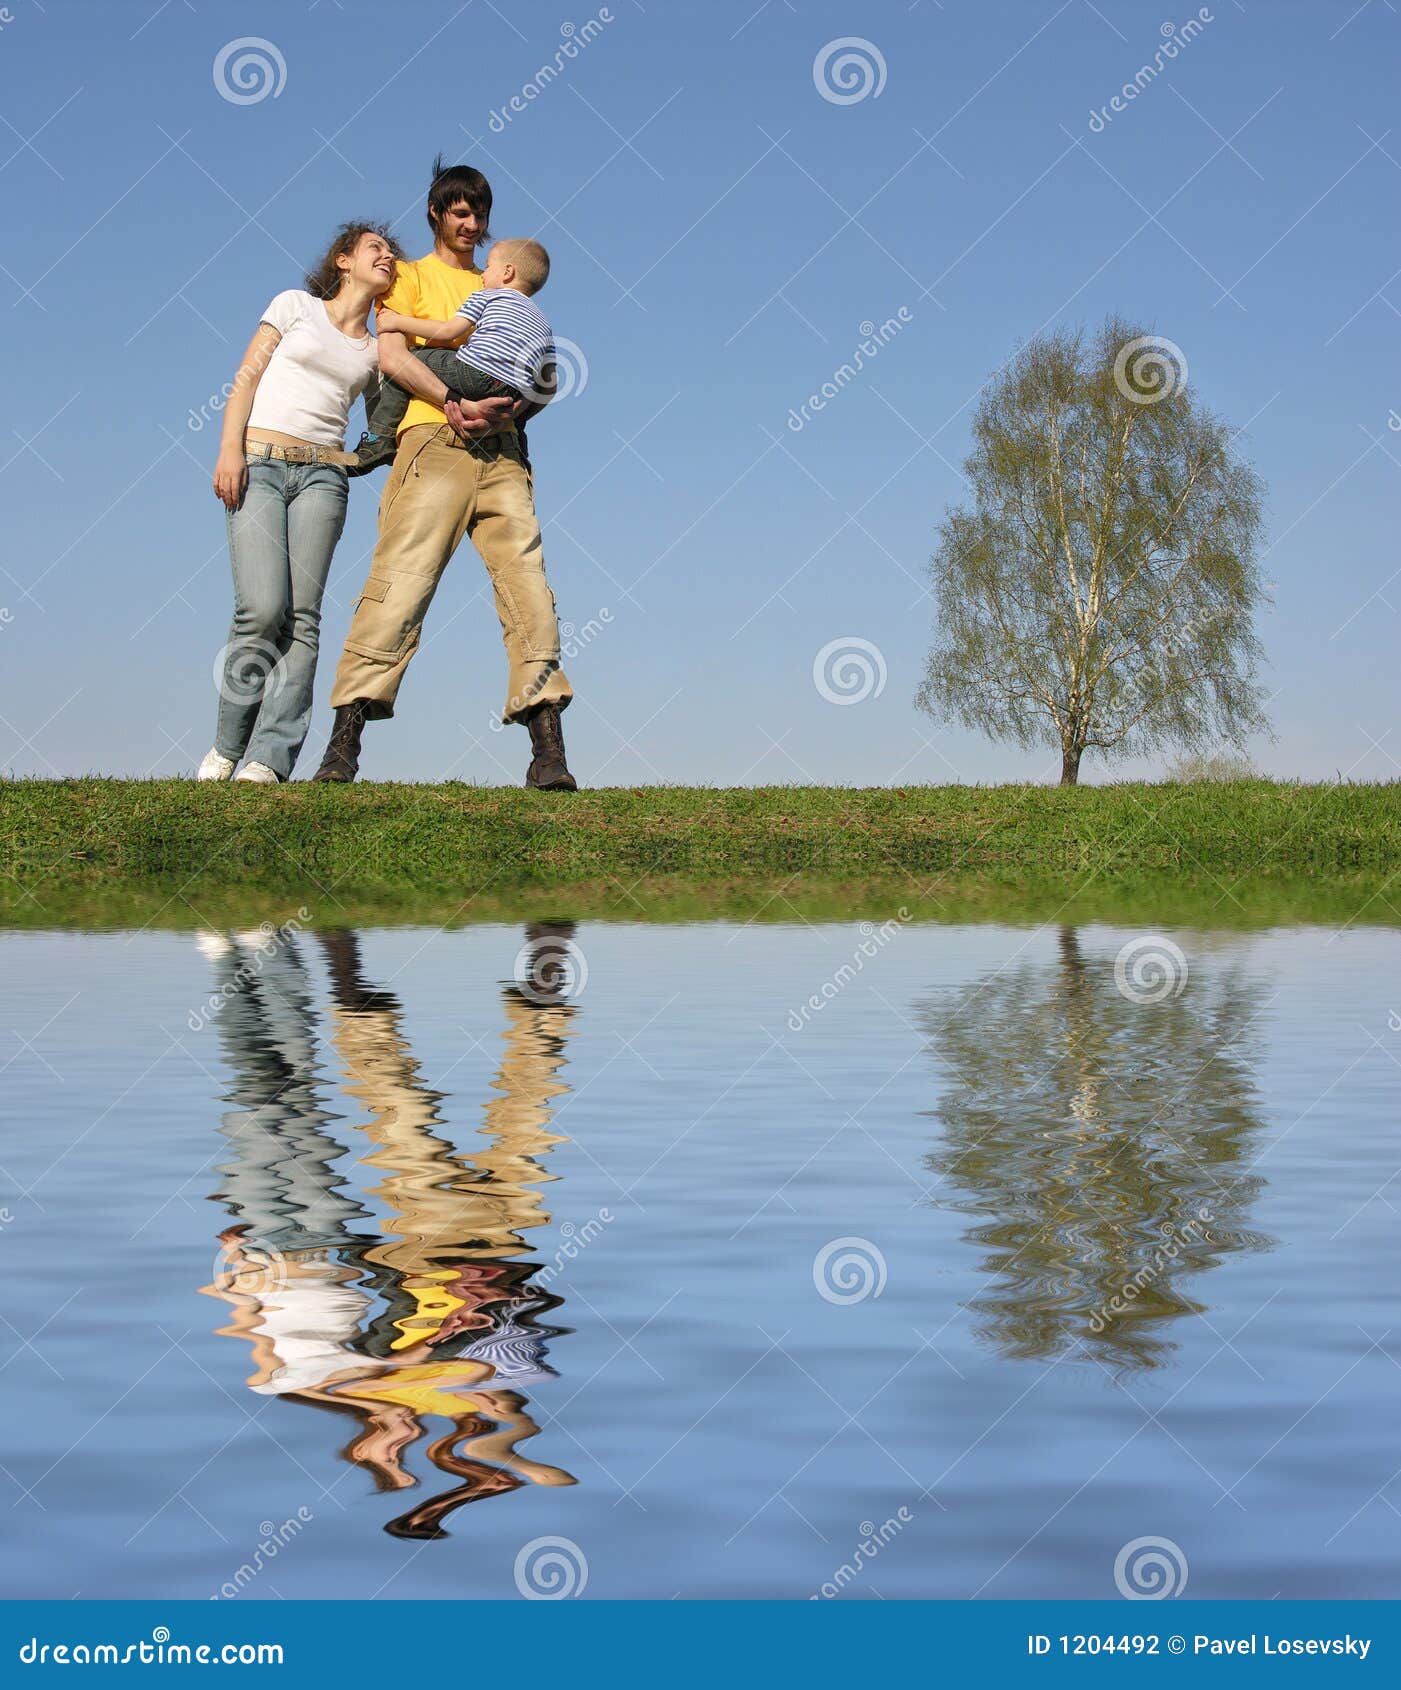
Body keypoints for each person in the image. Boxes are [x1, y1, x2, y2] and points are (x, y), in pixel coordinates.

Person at [309, 158, 577, 791]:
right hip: (432, 441)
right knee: (399, 583)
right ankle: (343, 745)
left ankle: (549, 753)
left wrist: (512, 407)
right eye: (459, 211)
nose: (471, 222)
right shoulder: (408, 277)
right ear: (436, 213)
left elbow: (542, 371)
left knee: (529, 589)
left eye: (479, 213)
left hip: (504, 451)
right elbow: (393, 354)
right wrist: (454, 404)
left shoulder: (504, 288)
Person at [199, 223, 403, 784]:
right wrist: (229, 450)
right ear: (343, 260)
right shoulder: (295, 306)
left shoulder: (375, 348)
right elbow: (245, 379)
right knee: (261, 612)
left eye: (392, 254)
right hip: (258, 464)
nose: (386, 256)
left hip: (322, 479)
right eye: (375, 248)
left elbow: (386, 425)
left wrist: (358, 460)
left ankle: (269, 759)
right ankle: (224, 747)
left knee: (303, 621)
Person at [348, 237, 555, 474]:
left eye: (487, 266)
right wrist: (516, 414)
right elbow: (547, 384)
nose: (483, 275)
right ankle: (520, 437)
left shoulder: (488, 295)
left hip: (475, 374)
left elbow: (448, 332)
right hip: (510, 393)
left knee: (408, 361)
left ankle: (379, 438)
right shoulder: (543, 321)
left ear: (508, 272)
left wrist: (397, 320)